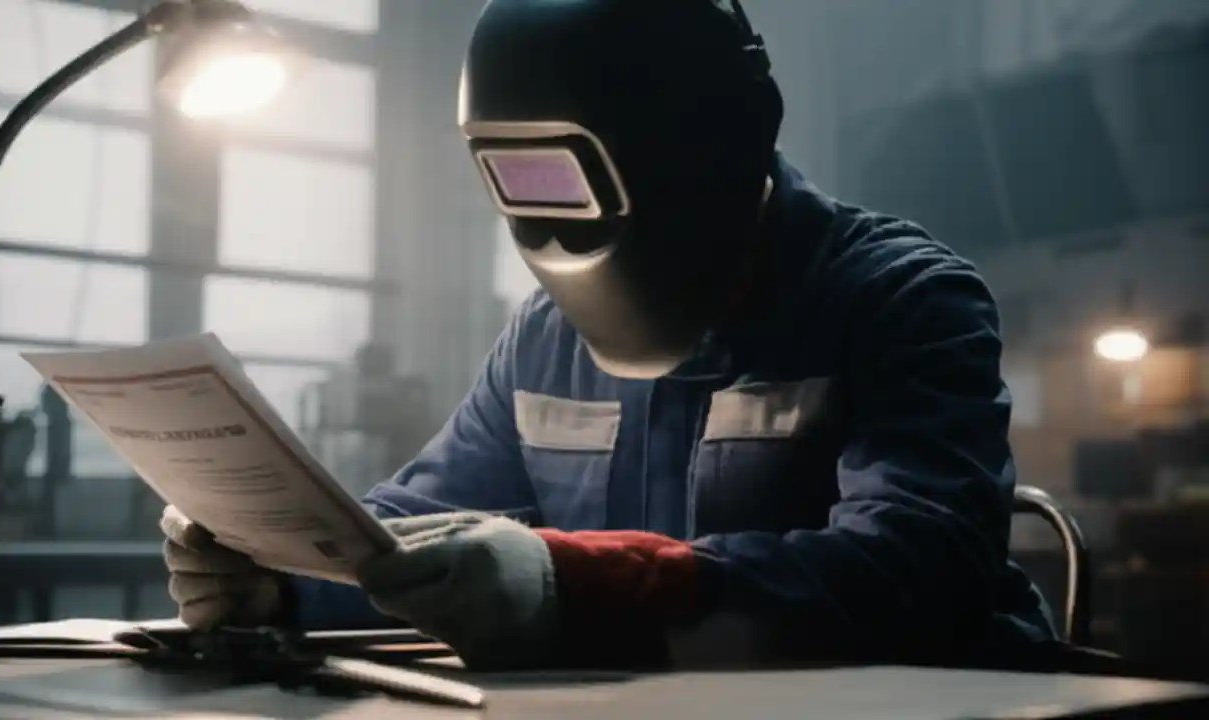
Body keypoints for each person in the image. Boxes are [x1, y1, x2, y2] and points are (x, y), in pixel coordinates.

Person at [161, 0, 1055, 670]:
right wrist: (282, 578)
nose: (559, 228)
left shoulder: (900, 298)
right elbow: (418, 538)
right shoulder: (545, 342)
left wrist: (580, 585)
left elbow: (915, 571)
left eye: (577, 176)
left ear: (732, 136)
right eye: (524, 181)